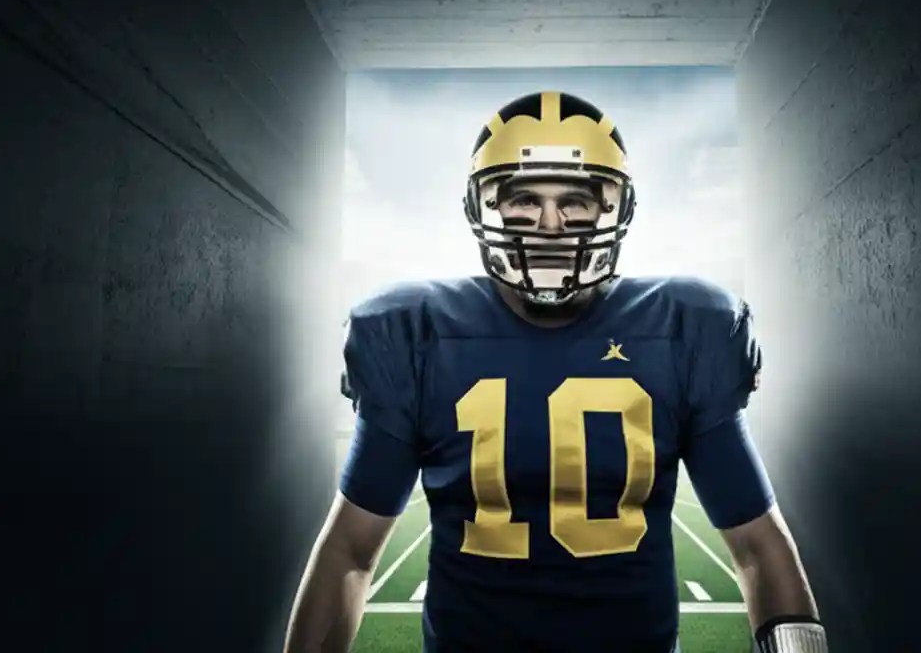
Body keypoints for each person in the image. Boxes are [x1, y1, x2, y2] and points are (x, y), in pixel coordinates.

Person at [284, 91, 827, 653]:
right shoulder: (414, 335)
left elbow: (757, 545)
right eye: (522, 199)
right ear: (482, 208)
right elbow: (351, 550)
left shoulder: (685, 329)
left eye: (576, 199)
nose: (549, 224)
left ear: (616, 209)